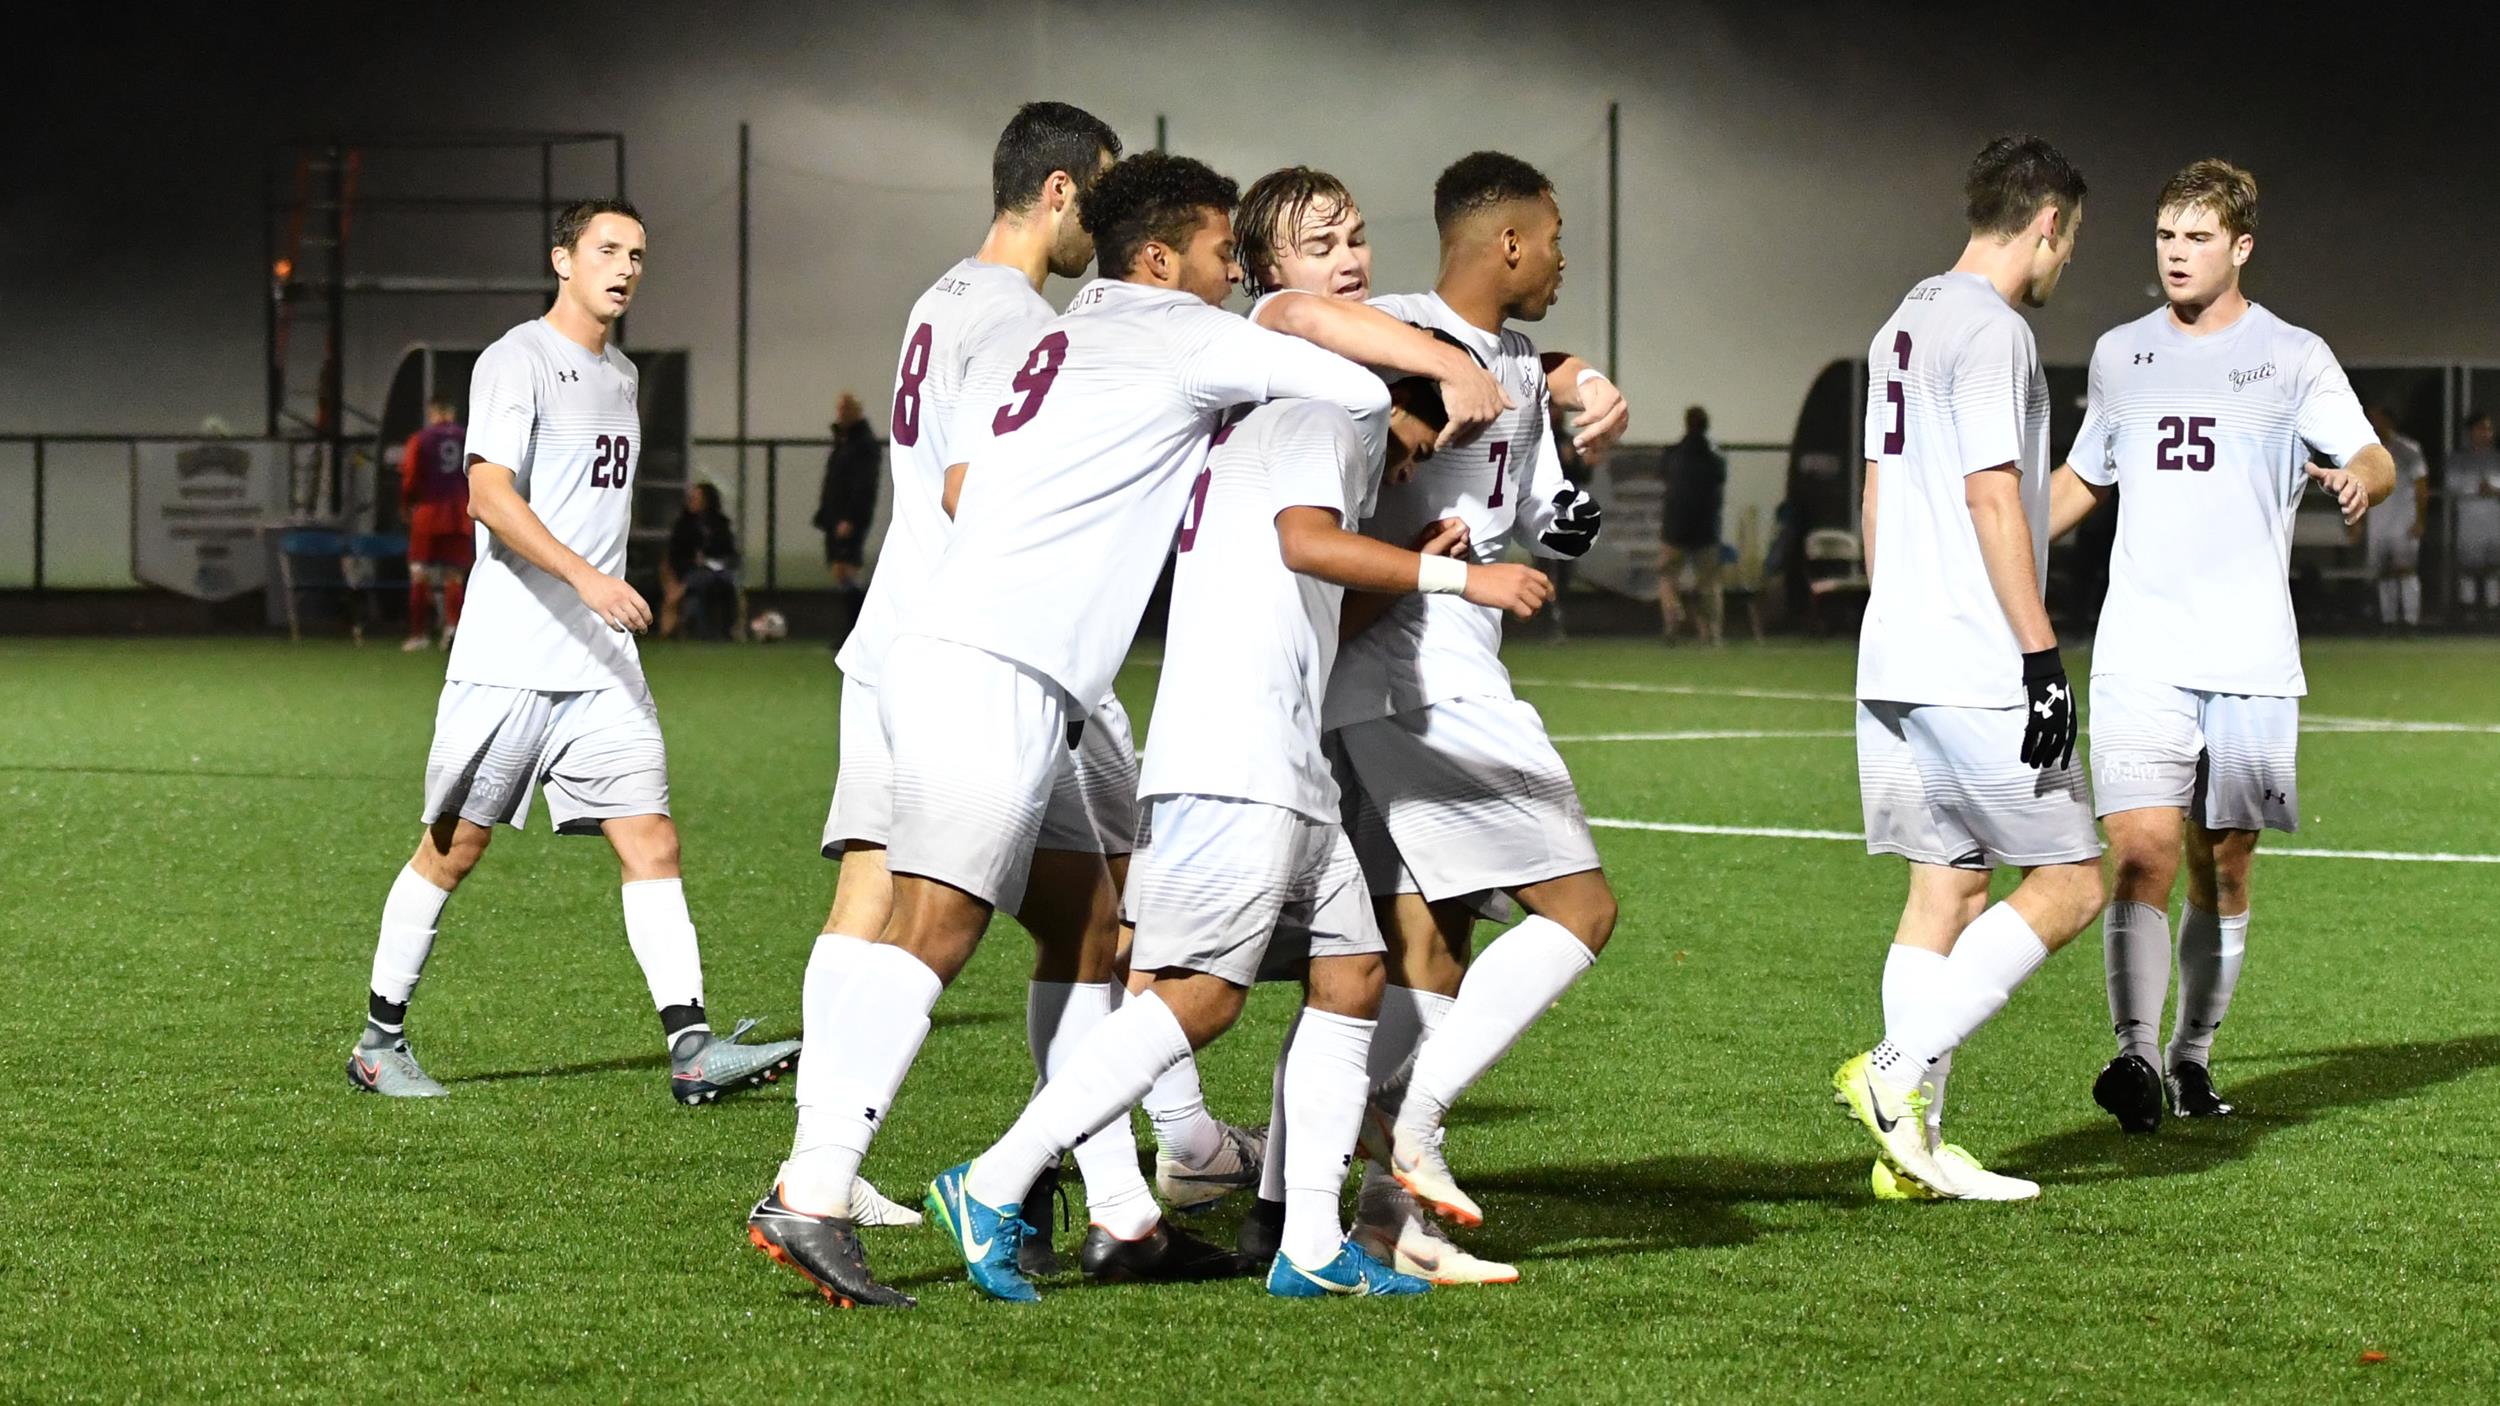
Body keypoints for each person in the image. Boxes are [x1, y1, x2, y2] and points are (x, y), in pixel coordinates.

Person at [757, 150, 1398, 1310]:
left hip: (988, 657)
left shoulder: (1048, 337)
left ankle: (1119, 1212)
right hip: (994, 663)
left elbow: (964, 482)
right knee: (933, 925)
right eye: (1217, 253)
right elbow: (1349, 390)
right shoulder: (1172, 330)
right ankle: (811, 1188)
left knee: (1085, 921)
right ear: (1161, 259)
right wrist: (1395, 351)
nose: (1223, 275)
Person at [346, 198, 800, 1106]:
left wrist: (600, 599)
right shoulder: (517, 360)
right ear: (563, 259)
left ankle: (693, 1048)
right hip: (513, 654)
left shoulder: (624, 375)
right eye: (606, 249)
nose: (626, 267)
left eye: (638, 252)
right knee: (454, 847)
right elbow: (489, 497)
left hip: (600, 666)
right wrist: (587, 579)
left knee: (652, 840)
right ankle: (378, 1040)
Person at [2047, 160, 2392, 1133]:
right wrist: (1995, 536)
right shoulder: (2120, 355)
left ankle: (2192, 1055)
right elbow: (2080, 479)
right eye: (2164, 235)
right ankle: (2134, 1055)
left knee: (2223, 866)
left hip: (2246, 657)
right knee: (2142, 855)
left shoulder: (2290, 355)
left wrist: (2364, 479)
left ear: (2238, 246)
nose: (2174, 253)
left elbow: (2373, 453)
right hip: (2139, 650)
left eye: (2195, 237)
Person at [1314, 152, 1619, 1245]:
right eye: (1553, 239)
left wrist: (1570, 490)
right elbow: (1292, 316)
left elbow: (1529, 511)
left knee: (1429, 940)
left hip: (1428, 669)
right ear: (1506, 243)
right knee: (1581, 909)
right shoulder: (1389, 325)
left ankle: (1376, 1223)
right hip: (1417, 674)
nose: (1562, 260)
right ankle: (1407, 1111)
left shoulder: (1524, 362)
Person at [1830, 135, 2103, 1201]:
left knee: (1944, 883)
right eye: (2069, 240)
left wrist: (1890, 612)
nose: (2065, 260)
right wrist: (2040, 654)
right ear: (2044, 222)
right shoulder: (1992, 331)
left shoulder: (1901, 321)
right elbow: (1995, 497)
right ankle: (1896, 1076)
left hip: (1895, 646)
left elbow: (1875, 495)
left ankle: (1912, 1150)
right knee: (2073, 880)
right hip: (1975, 654)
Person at [400, 396, 469, 651]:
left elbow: (410, 477)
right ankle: (452, 631)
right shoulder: (467, 437)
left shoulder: (421, 439)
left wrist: (406, 505)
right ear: (450, 412)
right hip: (459, 512)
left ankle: (418, 635)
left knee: (419, 572)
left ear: (433, 412)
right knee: (454, 575)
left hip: (428, 513)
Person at [1658, 405, 1728, 645]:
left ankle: (1673, 617)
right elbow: (1721, 479)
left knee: (1668, 577)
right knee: (1709, 582)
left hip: (1675, 527)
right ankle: (1712, 633)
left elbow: (1663, 476)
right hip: (1706, 529)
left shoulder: (1673, 454)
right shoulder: (1715, 458)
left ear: (1686, 424)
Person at [814, 392, 882, 619]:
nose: (839, 415)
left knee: (847, 568)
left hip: (849, 518)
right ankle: (853, 628)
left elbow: (863, 485)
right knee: (840, 570)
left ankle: (859, 626)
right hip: (836, 516)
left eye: (844, 410)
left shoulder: (864, 445)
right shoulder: (844, 442)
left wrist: (851, 518)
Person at [2365, 404, 2428, 629]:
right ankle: (2389, 621)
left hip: (2403, 521)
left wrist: (2420, 519)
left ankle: (2411, 621)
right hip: (2378, 521)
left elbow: (2421, 485)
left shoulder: (2409, 450)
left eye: (2377, 418)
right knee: (2383, 573)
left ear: (2389, 421)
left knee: (2406, 570)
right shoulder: (2366, 450)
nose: (2373, 423)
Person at [665, 482, 741, 641]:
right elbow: (675, 555)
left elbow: (729, 551)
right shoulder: (683, 526)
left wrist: (716, 560)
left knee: (726, 582)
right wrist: (693, 561)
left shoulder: (720, 524)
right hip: (690, 570)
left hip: (717, 569)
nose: (692, 501)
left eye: (696, 498)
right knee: (702, 582)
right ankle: (700, 629)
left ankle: (728, 629)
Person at [2448, 412, 2500, 611]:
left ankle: (2493, 609)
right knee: (2468, 568)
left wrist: (2493, 489)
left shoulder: (2497, 458)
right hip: (2469, 521)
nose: (2486, 433)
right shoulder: (2458, 460)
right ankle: (2468, 609)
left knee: (2493, 568)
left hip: (2494, 521)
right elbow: (2452, 484)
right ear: (2470, 432)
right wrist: (2476, 488)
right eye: (2481, 429)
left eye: (2488, 429)